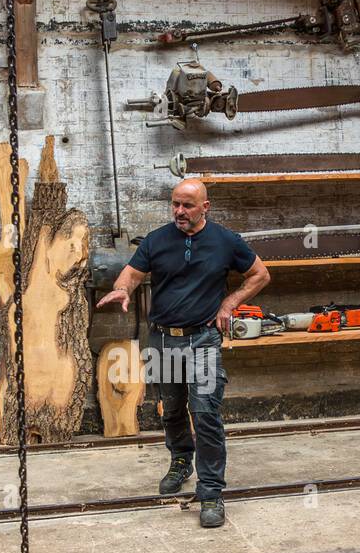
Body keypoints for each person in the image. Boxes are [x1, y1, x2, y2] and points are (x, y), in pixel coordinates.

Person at [97, 178, 270, 528]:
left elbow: (260, 275)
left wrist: (229, 303)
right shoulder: (157, 240)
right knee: (172, 410)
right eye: (175, 204)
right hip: (163, 340)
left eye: (187, 205)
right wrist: (121, 289)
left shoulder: (226, 241)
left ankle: (210, 492)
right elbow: (131, 273)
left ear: (205, 207)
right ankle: (180, 461)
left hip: (203, 340)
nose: (179, 211)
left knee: (205, 413)